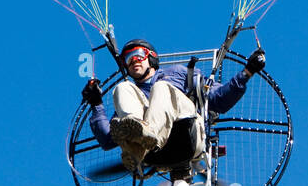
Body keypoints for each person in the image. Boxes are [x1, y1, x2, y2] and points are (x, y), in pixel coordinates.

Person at [82, 39, 266, 171]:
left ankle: (146, 138)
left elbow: (219, 100)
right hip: (156, 154)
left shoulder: (177, 74)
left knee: (161, 87)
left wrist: (247, 72)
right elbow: (107, 139)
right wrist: (96, 104)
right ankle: (139, 146)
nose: (132, 60)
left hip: (186, 133)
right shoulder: (133, 96)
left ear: (151, 58)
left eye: (137, 54)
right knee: (122, 88)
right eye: (127, 59)